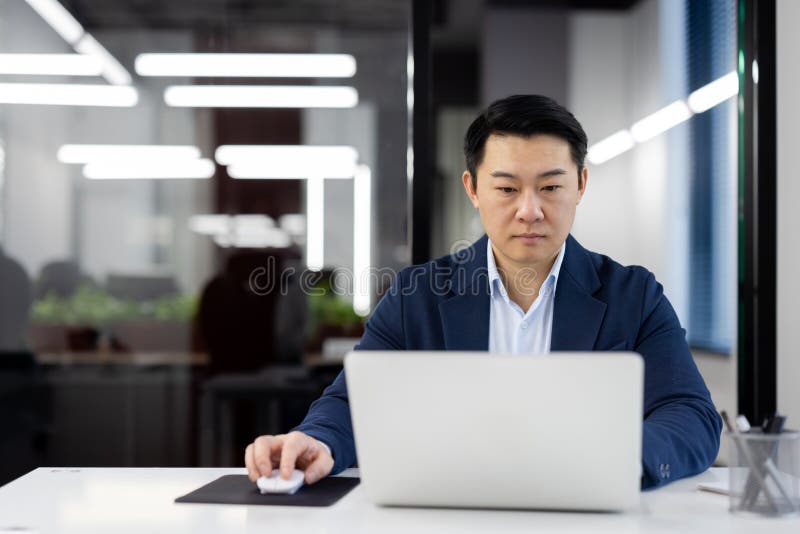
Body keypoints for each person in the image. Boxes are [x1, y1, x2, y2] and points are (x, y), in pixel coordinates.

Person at [244, 94, 722, 490]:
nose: (530, 210)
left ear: (580, 185)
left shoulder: (633, 296)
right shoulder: (418, 295)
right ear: (473, 189)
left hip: (588, 514)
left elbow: (691, 415)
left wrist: (614, 460)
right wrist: (317, 439)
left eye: (551, 187)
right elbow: (352, 402)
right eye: (508, 189)